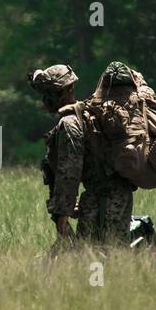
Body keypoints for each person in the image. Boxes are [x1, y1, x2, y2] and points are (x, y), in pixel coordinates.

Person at [30, 63, 134, 246]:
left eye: (50, 93)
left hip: (103, 199)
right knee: (110, 255)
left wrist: (62, 214)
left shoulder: (70, 123)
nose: (45, 99)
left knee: (94, 257)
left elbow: (69, 172)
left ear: (67, 90)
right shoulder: (85, 114)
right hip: (113, 194)